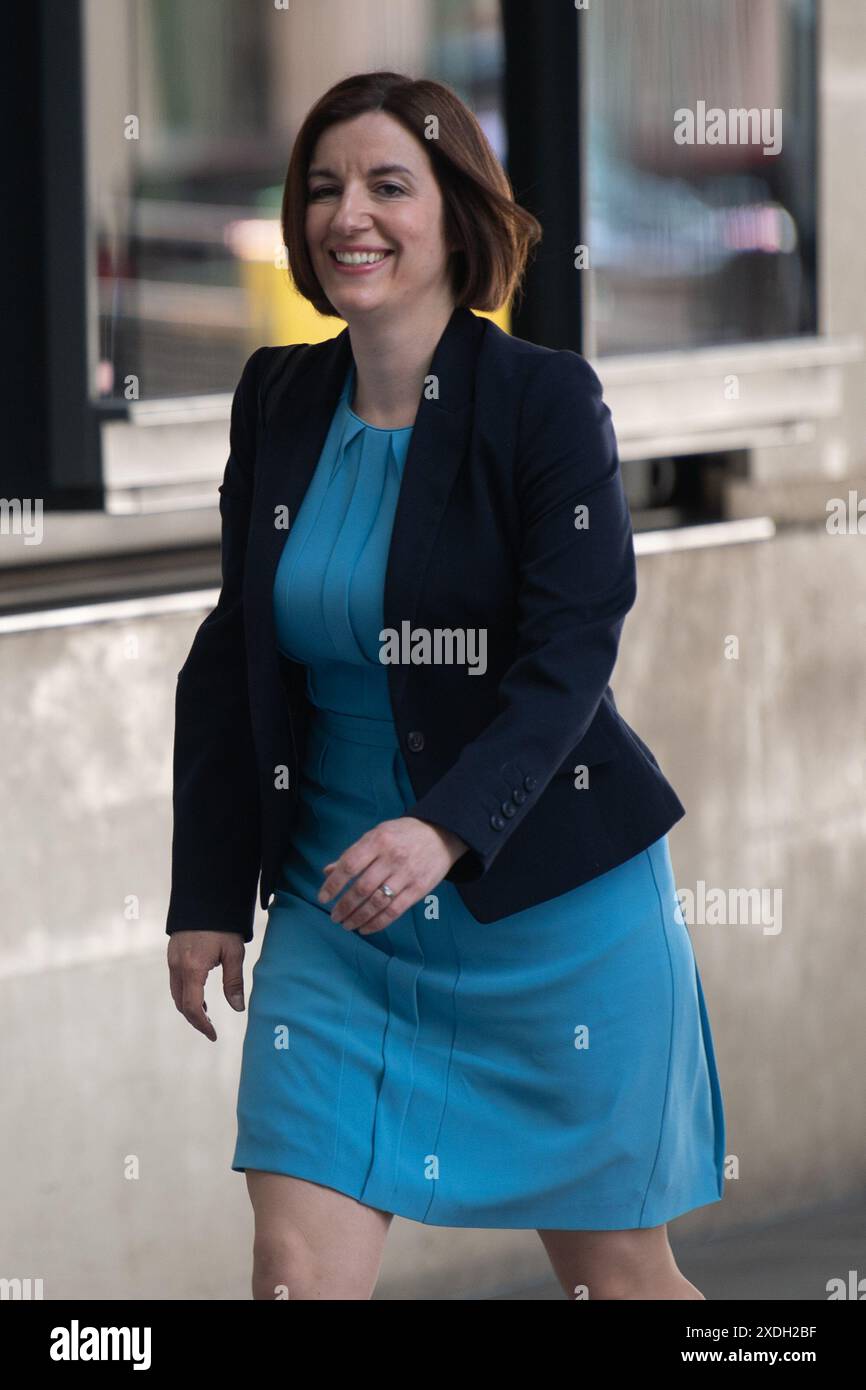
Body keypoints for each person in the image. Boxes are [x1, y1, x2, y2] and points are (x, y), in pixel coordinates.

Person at [166, 70, 725, 1301]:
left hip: (547, 911)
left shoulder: (540, 401)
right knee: (291, 1275)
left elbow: (573, 647)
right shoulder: (277, 397)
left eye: (385, 184)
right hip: (338, 911)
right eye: (321, 188)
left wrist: (445, 825)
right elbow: (232, 653)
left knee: (619, 1280)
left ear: (453, 213)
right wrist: (205, 886)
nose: (345, 214)